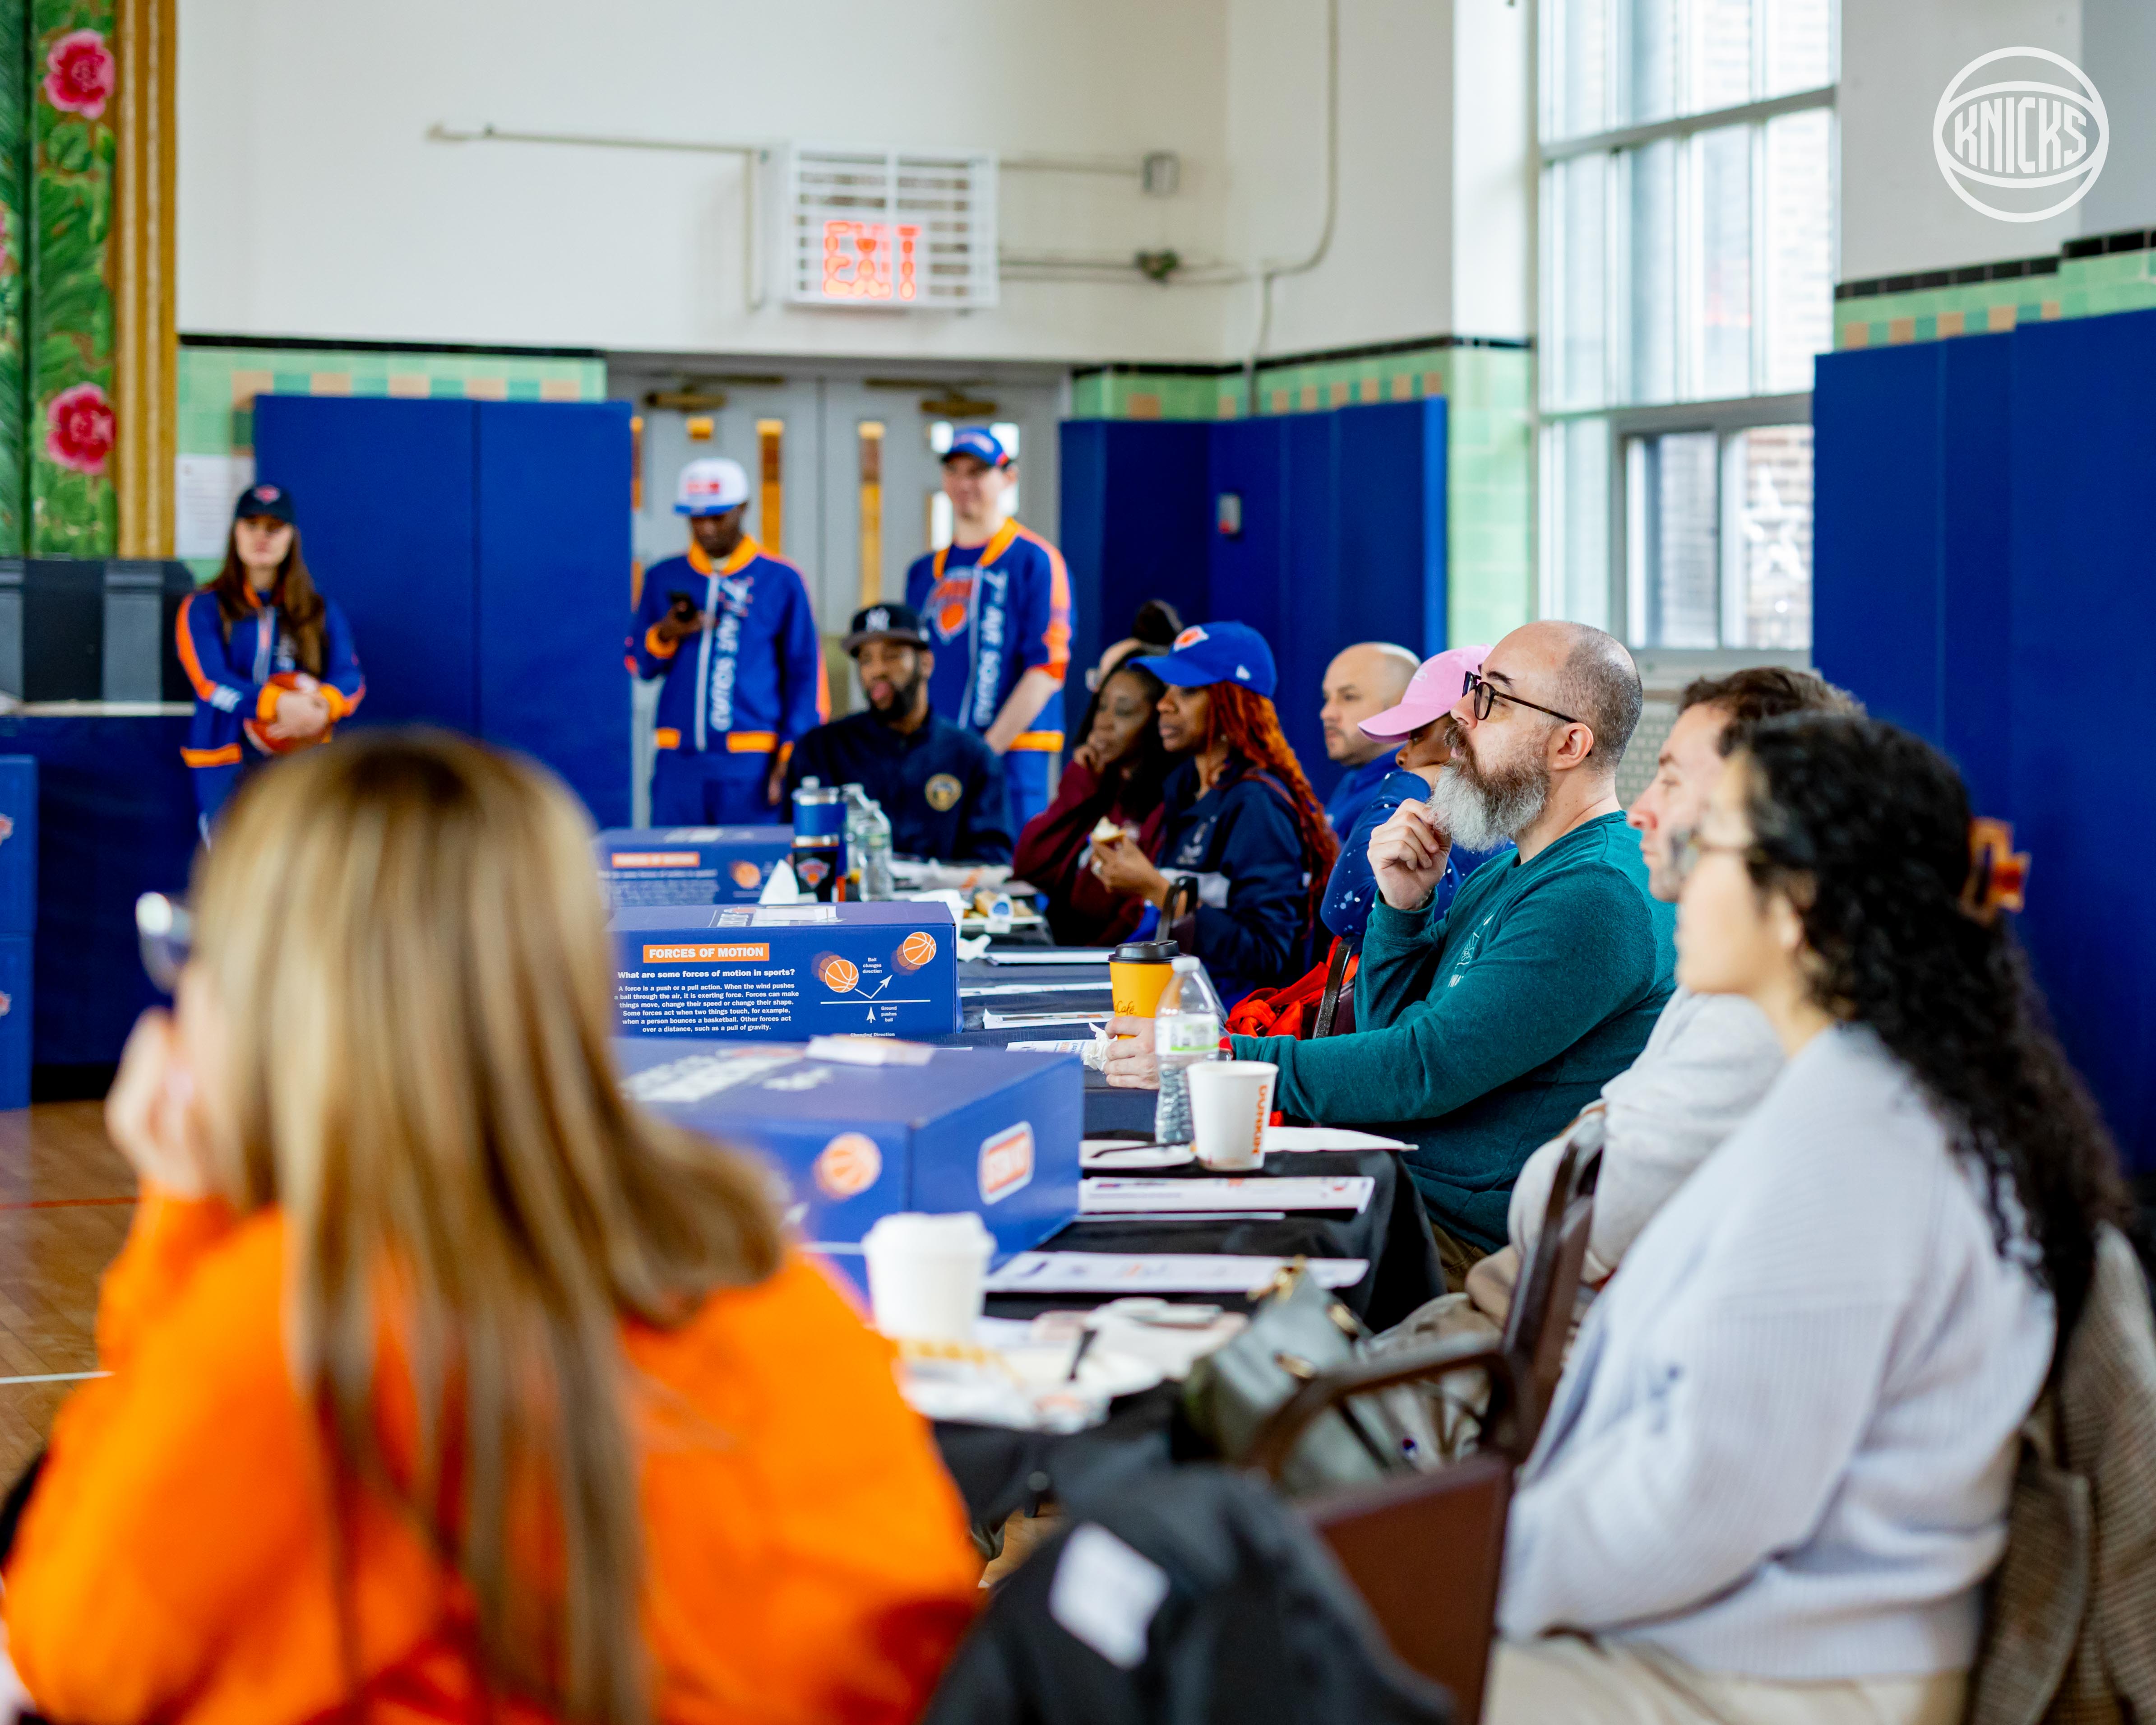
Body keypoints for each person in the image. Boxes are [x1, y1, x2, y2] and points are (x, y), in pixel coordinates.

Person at [0, 733, 979, 1722]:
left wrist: (185, 1211)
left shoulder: (298, 1312)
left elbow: (72, 1651)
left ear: (272, 1000)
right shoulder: (764, 1275)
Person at [1488, 714, 2132, 1724]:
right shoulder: (1877, 1094)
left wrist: (1460, 1566)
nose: (1682, 873)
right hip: (1742, 1643)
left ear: (1795, 904)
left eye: (1710, 847)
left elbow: (1696, 1506)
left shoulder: (1853, 1148)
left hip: (1763, 1681)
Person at [1112, 621, 1672, 1280]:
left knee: (1168, 1260)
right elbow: (1387, 1029)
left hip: (1460, 1239)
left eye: (1490, 698)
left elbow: (1420, 1068)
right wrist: (1403, 908)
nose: (1459, 715)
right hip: (1402, 1190)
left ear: (1568, 743)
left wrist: (1222, 1057)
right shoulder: (1512, 867)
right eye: (1471, 690)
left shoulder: (1595, 894)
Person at [1468, 666, 1860, 1326]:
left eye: (1672, 780)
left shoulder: (1758, 1018)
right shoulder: (1727, 990)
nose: (1643, 807)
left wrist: (1594, 1128)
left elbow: (1558, 1210)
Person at [1090, 621, 1337, 1006]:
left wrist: (1157, 890)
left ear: (1233, 705)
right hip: (1173, 1005)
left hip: (1227, 1030)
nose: (1164, 704)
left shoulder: (1257, 803)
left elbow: (1268, 955)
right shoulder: (1184, 785)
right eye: (1167, 689)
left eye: (1187, 691)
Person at [627, 457, 827, 825]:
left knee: (752, 877)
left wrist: (790, 756)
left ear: (743, 508)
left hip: (751, 761)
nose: (705, 528)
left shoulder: (781, 579)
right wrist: (666, 634)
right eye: (695, 518)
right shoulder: (664, 576)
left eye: (717, 517)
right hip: (679, 761)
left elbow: (806, 675)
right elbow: (639, 664)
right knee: (676, 872)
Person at [905, 429, 1073, 834]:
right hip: (939, 757)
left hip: (1014, 755)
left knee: (1013, 879)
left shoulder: (1035, 560)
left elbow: (1047, 670)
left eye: (978, 472)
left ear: (1008, 478)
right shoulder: (922, 572)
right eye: (955, 471)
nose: (964, 484)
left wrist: (982, 752)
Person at [176, 482, 365, 839]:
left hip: (299, 754)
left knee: (300, 865)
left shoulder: (318, 610)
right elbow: (210, 680)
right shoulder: (202, 608)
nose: (262, 537)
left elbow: (350, 678)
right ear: (236, 532)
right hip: (223, 757)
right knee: (235, 865)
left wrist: (321, 707)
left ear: (292, 536)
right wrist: (276, 705)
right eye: (251, 525)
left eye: (274, 528)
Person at [787, 604, 1012, 864]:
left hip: (943, 903)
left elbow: (994, 859)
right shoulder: (820, 750)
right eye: (866, 660)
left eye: (892, 656)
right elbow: (795, 851)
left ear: (926, 664)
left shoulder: (971, 756)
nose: (877, 671)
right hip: (850, 903)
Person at [1319, 645, 1505, 950]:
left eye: (1416, 736)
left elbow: (1347, 911)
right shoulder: (1354, 782)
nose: (1402, 756)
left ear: (1468, 736)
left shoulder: (1466, 827)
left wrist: (1412, 780)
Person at [1013, 626, 1176, 946]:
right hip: (1061, 951)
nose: (1103, 722)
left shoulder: (1164, 808)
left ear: (1159, 721)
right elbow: (1029, 866)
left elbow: (1133, 923)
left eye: (1124, 711)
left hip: (1100, 968)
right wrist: (1081, 782)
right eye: (1101, 707)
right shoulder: (1100, 787)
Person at [1319, 641, 1421, 839]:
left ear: (1402, 705)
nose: (1326, 713)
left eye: (1349, 697)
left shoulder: (1402, 798)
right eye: (1326, 698)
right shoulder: (1357, 780)